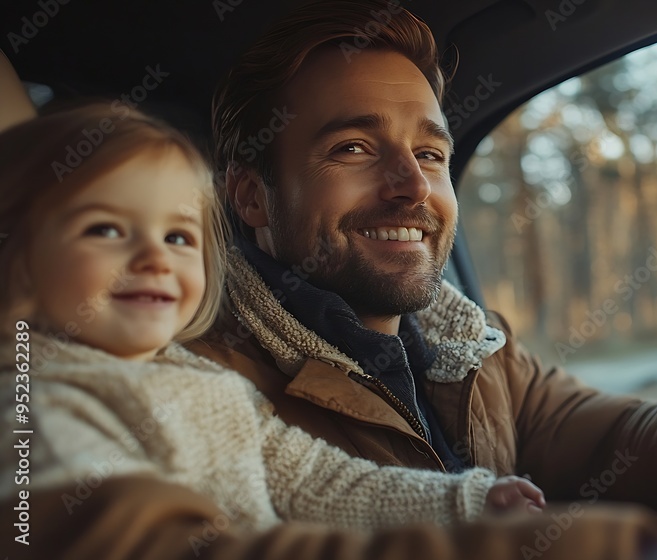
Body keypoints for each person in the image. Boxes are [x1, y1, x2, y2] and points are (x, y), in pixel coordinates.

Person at [2, 1, 657, 559]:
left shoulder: (458, 335)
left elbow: (604, 438)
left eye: (431, 153)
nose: (410, 186)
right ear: (252, 197)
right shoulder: (168, 365)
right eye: (355, 147)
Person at [0, 104, 548, 549]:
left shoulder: (196, 379)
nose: (155, 258)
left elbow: (315, 481)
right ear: (17, 263)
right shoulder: (33, 402)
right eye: (106, 229)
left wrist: (464, 505)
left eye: (178, 237)